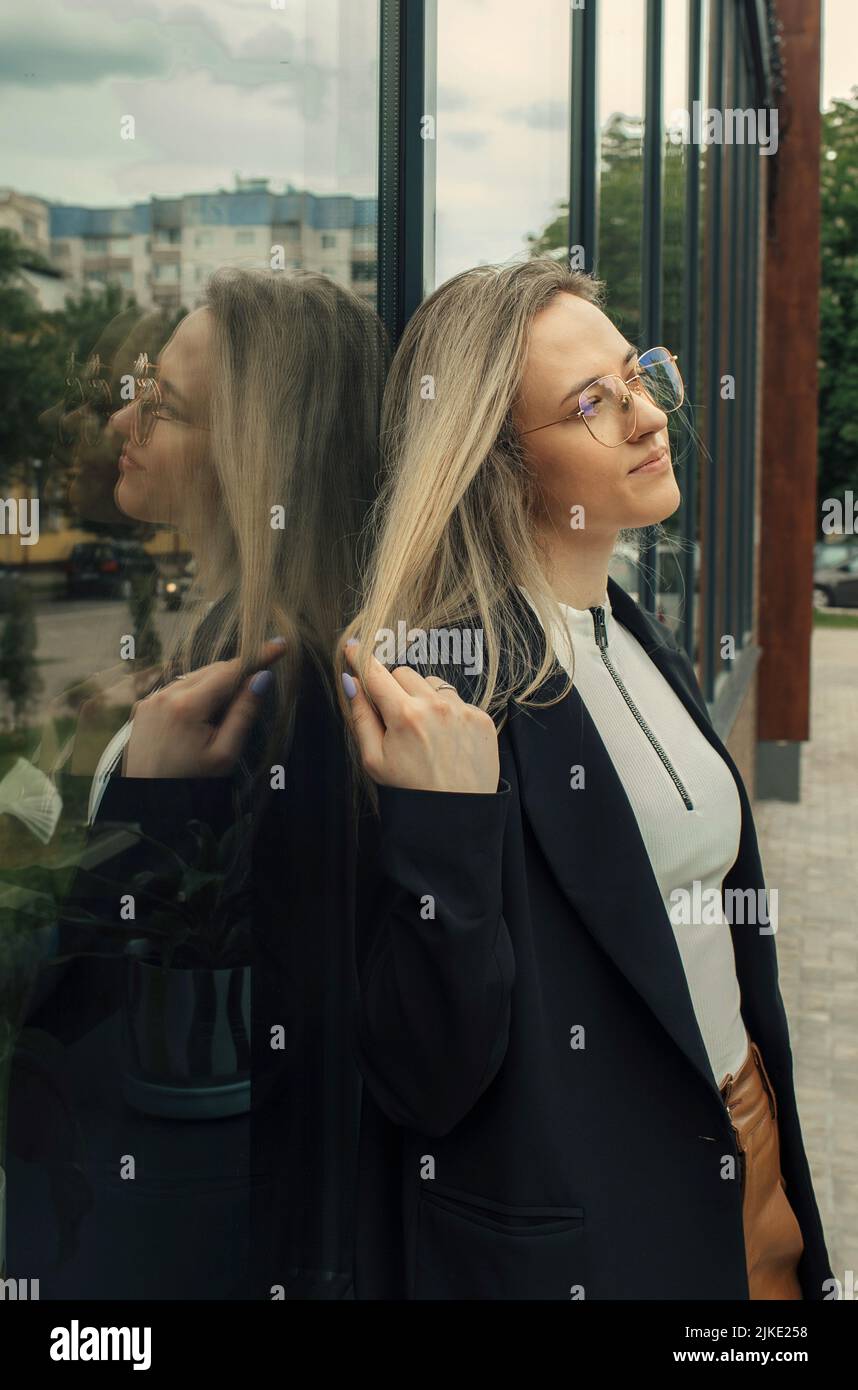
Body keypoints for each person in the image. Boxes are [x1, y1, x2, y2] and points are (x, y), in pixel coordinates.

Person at [340, 256, 833, 1300]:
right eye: (592, 404)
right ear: (497, 465)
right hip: (603, 1219)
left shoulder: (633, 632)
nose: (649, 416)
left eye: (639, 375)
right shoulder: (443, 687)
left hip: (746, 1140)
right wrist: (443, 823)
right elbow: (424, 1074)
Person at [7, 267, 388, 1299]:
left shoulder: (276, 681)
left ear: (251, 455)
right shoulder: (245, 640)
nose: (123, 418)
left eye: (164, 406)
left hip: (184, 1224)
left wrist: (148, 798)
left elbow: (142, 997)